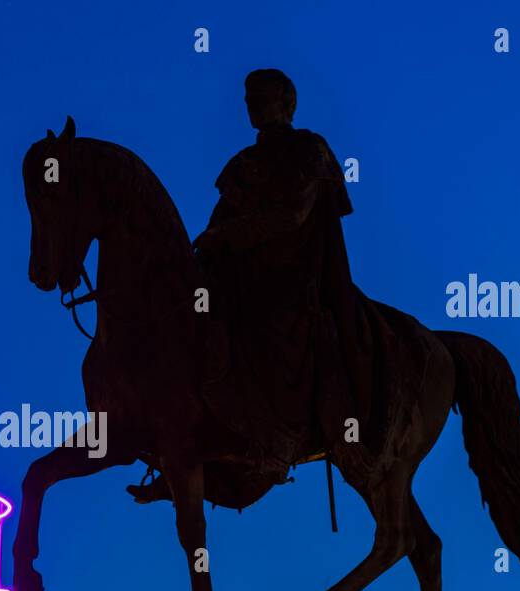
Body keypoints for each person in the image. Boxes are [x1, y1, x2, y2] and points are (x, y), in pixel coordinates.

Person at [130, 69, 374, 505]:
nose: (251, 104)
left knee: (272, 332)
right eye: (248, 97)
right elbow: (221, 218)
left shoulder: (309, 151)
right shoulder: (242, 165)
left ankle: (275, 444)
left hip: (292, 277)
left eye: (260, 97)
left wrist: (228, 236)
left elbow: (293, 217)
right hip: (240, 276)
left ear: (285, 102)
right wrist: (201, 251)